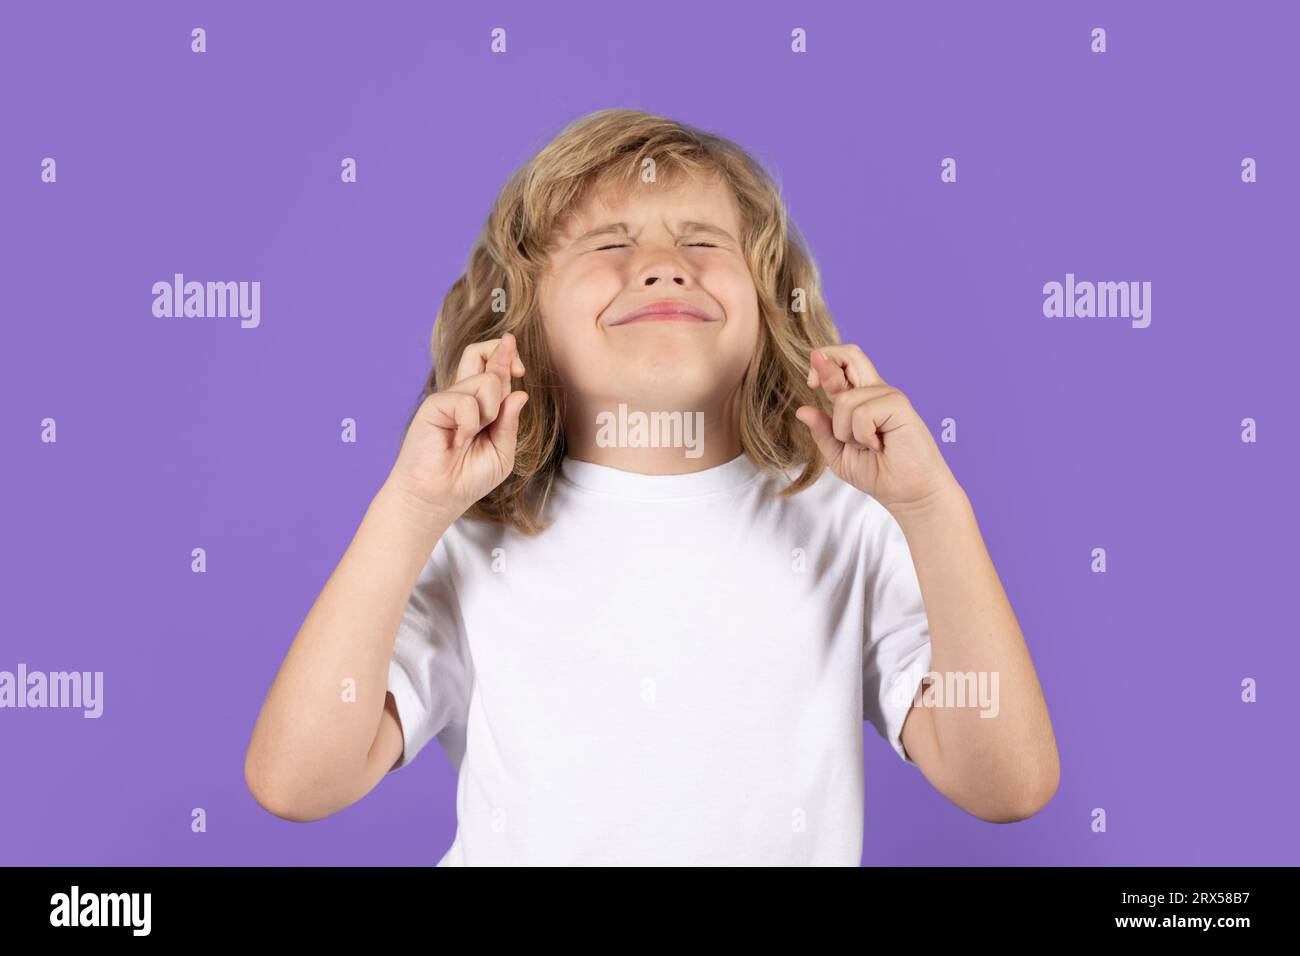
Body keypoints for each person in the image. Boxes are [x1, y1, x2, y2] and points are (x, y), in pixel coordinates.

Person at [245, 108, 1059, 865]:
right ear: (524, 327)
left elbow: (1008, 785)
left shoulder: (848, 524)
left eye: (704, 242)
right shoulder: (472, 537)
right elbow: (297, 783)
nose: (665, 269)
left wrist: (931, 509)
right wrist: (412, 508)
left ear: (770, 311)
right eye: (609, 246)